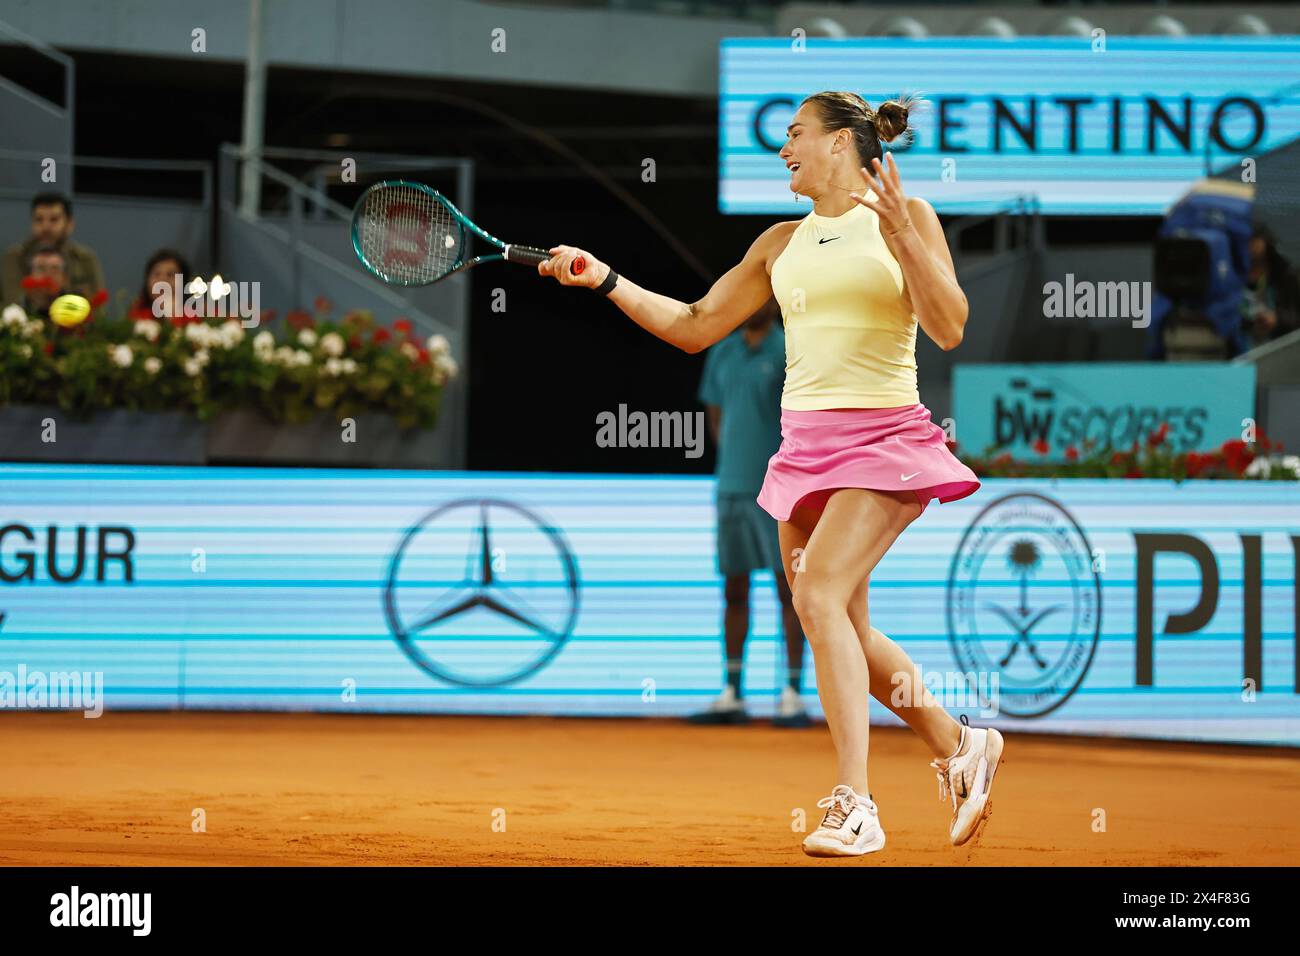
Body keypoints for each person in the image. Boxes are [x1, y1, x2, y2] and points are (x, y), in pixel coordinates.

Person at [539, 90, 1003, 857]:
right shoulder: (779, 243)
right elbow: (694, 326)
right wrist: (606, 279)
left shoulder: (908, 216)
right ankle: (961, 744)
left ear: (841, 143)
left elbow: (949, 327)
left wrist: (901, 233)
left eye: (795, 133)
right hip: (804, 451)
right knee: (841, 624)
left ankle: (855, 803)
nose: (784, 148)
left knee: (816, 595)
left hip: (883, 439)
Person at [689, 296, 810, 729]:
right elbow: (716, 416)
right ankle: (732, 693)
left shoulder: (790, 349)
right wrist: (737, 462)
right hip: (732, 487)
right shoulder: (722, 350)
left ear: (774, 303)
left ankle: (792, 694)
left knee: (791, 593)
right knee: (734, 591)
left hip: (782, 492)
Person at [2, 193, 105, 306]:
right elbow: (10, 304)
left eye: (54, 220)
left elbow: (98, 307)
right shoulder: (15, 256)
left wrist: (62, 288)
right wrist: (33, 291)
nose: (45, 227)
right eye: (39, 220)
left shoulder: (84, 258)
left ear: (69, 224)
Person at [1241, 223, 1300, 347]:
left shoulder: (1284, 274)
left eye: (1255, 240)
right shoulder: (1234, 274)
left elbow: (1295, 315)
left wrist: (1277, 319)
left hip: (1277, 344)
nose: (1251, 245)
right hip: (1242, 342)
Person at [128, 248, 192, 322]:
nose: (163, 280)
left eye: (170, 275)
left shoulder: (195, 318)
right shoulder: (135, 317)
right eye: (157, 274)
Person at [20, 245, 69, 319]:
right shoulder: (15, 313)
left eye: (54, 268)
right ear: (31, 275)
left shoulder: (77, 313)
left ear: (64, 278)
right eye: (41, 268)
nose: (48, 274)